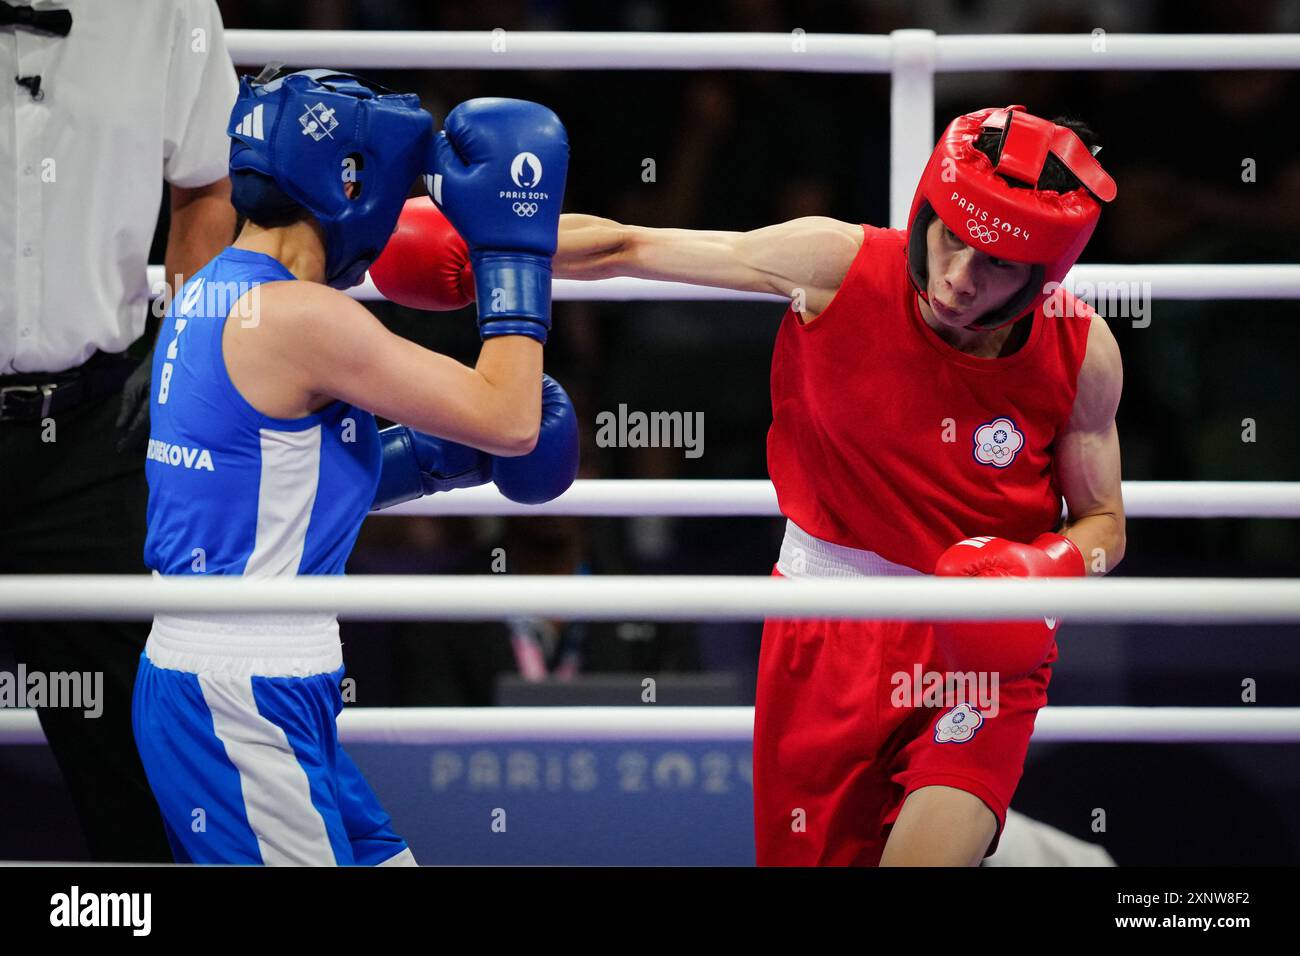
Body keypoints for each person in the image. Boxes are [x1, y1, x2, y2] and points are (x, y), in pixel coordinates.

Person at [377, 105, 1125, 866]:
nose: (960, 280)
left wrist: (1044, 569)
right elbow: (631, 246)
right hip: (824, 627)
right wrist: (483, 253)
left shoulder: (1081, 350)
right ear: (929, 210)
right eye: (952, 240)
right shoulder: (836, 264)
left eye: (996, 264)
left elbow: (1104, 522)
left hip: (982, 655)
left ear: (1040, 275)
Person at [131, 68, 574, 864]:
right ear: (351, 182)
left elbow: (268, 485)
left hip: (247, 682)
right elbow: (512, 419)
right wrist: (513, 246)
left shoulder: (212, 288)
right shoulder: (302, 318)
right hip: (242, 693)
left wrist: (433, 459)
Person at [0, 0, 237, 861]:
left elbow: (207, 183)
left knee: (135, 764)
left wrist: (184, 360)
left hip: (95, 432)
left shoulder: (166, 7)